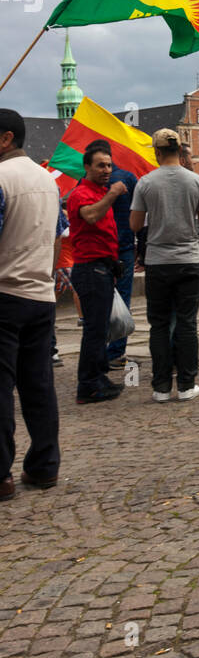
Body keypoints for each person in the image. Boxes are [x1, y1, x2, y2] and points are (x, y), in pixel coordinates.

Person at [0, 110, 64, 501]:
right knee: (38, 385)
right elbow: (58, 236)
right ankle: (44, 466)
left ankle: (1, 475)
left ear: (5, 138)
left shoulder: (1, 179)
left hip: (4, 293)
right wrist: (46, 274)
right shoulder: (48, 180)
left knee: (1, 388)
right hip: (41, 294)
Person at [129, 128, 199, 403]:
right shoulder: (196, 180)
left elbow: (135, 224)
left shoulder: (146, 182)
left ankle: (161, 387)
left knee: (159, 325)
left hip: (158, 261)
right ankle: (187, 384)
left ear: (157, 151)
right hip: (188, 258)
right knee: (187, 323)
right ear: (179, 151)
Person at [67, 142, 127, 405]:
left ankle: (98, 378)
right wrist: (113, 194)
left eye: (109, 165)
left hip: (102, 267)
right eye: (101, 165)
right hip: (90, 269)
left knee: (101, 329)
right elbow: (90, 216)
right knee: (94, 330)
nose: (107, 170)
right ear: (87, 167)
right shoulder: (82, 193)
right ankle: (88, 385)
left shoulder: (98, 191)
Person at [105, 157, 138, 370]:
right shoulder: (127, 177)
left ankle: (99, 350)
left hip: (100, 249)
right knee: (122, 299)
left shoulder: (87, 182)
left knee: (99, 302)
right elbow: (139, 213)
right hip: (124, 245)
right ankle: (116, 352)